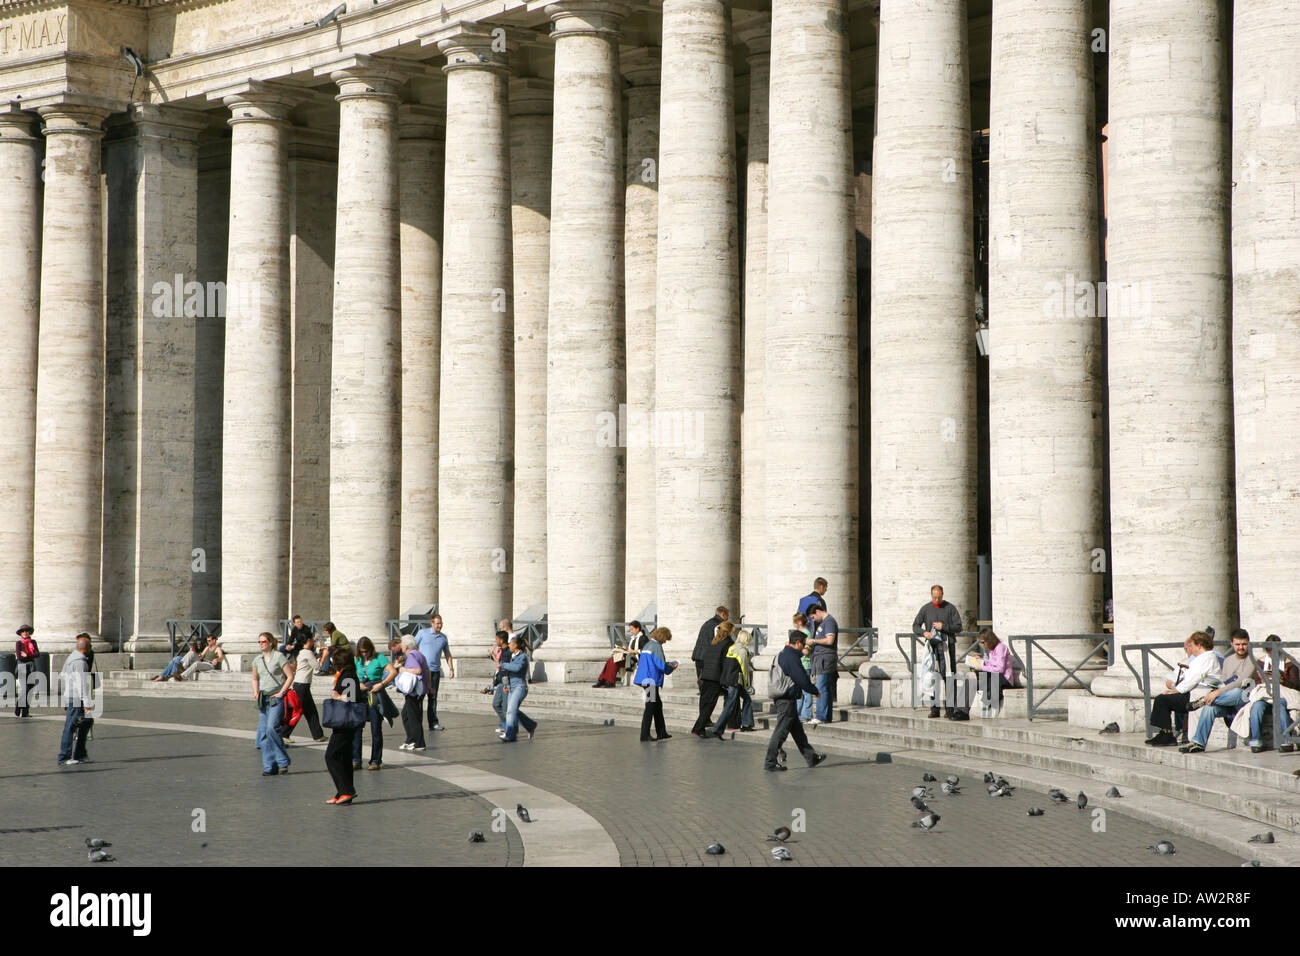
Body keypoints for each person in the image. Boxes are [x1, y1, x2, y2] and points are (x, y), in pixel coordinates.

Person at [1181, 628, 1254, 754]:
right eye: (1237, 644)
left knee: (1238, 691)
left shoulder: (1252, 660)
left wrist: (1215, 694)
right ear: (1231, 644)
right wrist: (1216, 689)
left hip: (1243, 698)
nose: (1241, 647)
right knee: (1209, 708)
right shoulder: (1228, 660)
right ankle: (1198, 742)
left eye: (1244, 644)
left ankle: (1203, 700)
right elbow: (1224, 682)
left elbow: (1241, 682)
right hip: (1226, 699)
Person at [764, 630, 827, 772]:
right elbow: (801, 678)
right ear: (797, 643)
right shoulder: (791, 657)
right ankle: (770, 762)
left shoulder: (784, 654)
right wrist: (814, 691)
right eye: (803, 644)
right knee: (780, 732)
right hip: (785, 699)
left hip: (785, 697)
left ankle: (811, 757)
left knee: (798, 732)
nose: (805, 647)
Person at [1146, 631, 1220, 747]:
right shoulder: (1203, 658)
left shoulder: (1207, 658)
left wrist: (1177, 690)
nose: (1191, 649)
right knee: (1163, 699)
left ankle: (1167, 735)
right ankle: (1165, 733)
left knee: (1162, 699)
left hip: (1199, 693)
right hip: (1193, 691)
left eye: (1192, 645)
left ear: (1199, 645)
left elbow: (1194, 678)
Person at [1242, 634, 1300, 754]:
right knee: (1256, 707)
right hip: (1265, 694)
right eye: (1269, 652)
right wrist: (1262, 680)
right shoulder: (1261, 662)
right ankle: (1256, 741)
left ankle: (1286, 740)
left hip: (1283, 694)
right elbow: (1254, 681)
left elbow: (1296, 685)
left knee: (1279, 706)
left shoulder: (1290, 662)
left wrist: (1282, 680)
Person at [913, 584, 963, 718]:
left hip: (947, 647)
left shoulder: (950, 608)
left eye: (939, 597)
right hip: (932, 648)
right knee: (932, 677)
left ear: (942, 595)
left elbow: (958, 627)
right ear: (931, 595)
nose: (936, 600)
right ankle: (934, 708)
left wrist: (944, 627)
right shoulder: (926, 609)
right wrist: (924, 633)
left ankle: (950, 709)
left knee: (949, 676)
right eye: (934, 597)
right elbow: (915, 626)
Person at [252, 632, 294, 775]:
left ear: (270, 642)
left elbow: (290, 676)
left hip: (276, 698)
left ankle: (282, 760)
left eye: (263, 641)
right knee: (263, 733)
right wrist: (255, 691)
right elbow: (255, 678)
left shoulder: (279, 657)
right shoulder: (257, 660)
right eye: (259, 642)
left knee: (271, 728)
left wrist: (282, 692)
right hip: (263, 698)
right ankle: (269, 766)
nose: (261, 644)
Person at [351, 636, 394, 771]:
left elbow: (393, 671)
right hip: (360, 694)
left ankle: (375, 760)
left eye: (366, 651)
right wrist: (358, 684)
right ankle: (356, 759)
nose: (364, 654)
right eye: (362, 651)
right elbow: (352, 675)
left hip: (374, 693)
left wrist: (382, 684)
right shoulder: (357, 660)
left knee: (376, 728)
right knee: (357, 728)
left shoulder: (379, 658)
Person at [324, 645, 361, 804]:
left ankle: (346, 790)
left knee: (331, 756)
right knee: (344, 756)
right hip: (345, 721)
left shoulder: (348, 676)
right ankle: (343, 793)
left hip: (346, 721)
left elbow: (350, 698)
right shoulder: (346, 675)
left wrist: (336, 696)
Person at [57, 635, 94, 766]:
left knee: (83, 725)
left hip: (70, 695)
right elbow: (82, 684)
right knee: (71, 727)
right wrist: (87, 703)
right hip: (75, 697)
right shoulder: (80, 662)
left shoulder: (71, 658)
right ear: (86, 648)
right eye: (90, 646)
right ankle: (64, 756)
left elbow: (62, 674)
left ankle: (80, 754)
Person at [692, 621, 734, 737]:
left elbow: (706, 659)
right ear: (729, 631)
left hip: (705, 676)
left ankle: (700, 729)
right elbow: (725, 663)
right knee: (710, 705)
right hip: (715, 677)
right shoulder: (728, 643)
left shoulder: (714, 642)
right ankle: (697, 728)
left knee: (705, 703)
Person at [712, 628, 756, 736]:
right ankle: (717, 728)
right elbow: (744, 668)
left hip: (729, 679)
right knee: (730, 705)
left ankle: (747, 724)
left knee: (746, 699)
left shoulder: (731, 648)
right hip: (737, 681)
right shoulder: (743, 651)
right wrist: (747, 685)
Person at [636, 626, 677, 741]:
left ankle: (661, 731)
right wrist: (672, 667)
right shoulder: (656, 646)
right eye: (665, 639)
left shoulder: (648, 645)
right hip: (651, 680)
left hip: (645, 678)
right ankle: (645, 735)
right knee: (650, 707)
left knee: (657, 705)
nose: (665, 642)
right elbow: (661, 665)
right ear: (662, 637)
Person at [414, 615, 454, 732]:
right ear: (431, 623)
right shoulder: (422, 633)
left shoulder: (443, 638)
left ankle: (433, 723)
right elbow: (413, 648)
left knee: (433, 698)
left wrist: (451, 668)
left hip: (435, 672)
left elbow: (447, 654)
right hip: (422, 671)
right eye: (437, 623)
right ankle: (417, 722)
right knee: (419, 697)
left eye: (441, 623)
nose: (439, 626)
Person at [286, 632, 325, 742]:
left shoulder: (303, 652)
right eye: (312, 639)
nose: (313, 640)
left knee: (311, 711)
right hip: (302, 686)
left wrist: (318, 655)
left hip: (302, 685)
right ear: (308, 640)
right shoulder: (307, 652)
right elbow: (317, 667)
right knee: (298, 710)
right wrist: (324, 657)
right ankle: (285, 733)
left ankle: (318, 735)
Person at [498, 633, 538, 743]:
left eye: (511, 643)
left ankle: (510, 734)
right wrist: (506, 685)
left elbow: (517, 668)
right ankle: (530, 725)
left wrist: (503, 664)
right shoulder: (512, 657)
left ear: (515, 645)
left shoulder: (523, 657)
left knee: (510, 710)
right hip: (511, 686)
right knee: (512, 710)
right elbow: (507, 672)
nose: (509, 645)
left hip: (520, 687)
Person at [808, 605, 839, 726]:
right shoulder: (823, 623)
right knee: (825, 687)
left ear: (818, 611)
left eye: (813, 617)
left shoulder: (829, 622)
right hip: (821, 658)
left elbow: (830, 640)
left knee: (821, 687)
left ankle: (821, 716)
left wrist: (814, 641)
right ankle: (826, 716)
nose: (813, 619)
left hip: (825, 658)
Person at [396, 636, 427, 751]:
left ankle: (419, 742)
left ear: (407, 645)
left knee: (413, 716)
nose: (401, 645)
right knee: (406, 715)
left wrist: (404, 669)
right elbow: (426, 670)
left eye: (402, 643)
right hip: (419, 690)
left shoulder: (411, 655)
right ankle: (410, 739)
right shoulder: (419, 654)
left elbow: (418, 670)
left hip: (413, 691)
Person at [484, 630, 512, 736]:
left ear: (501, 640)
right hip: (500, 681)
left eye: (496, 639)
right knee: (496, 704)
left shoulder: (507, 652)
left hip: (505, 682)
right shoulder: (503, 651)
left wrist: (505, 684)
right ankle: (506, 725)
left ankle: (509, 728)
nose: (495, 641)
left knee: (505, 707)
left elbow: (502, 667)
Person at [692, 606, 729, 683]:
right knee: (709, 681)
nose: (728, 618)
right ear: (723, 614)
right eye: (727, 615)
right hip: (708, 657)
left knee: (701, 680)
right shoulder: (719, 625)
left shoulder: (707, 623)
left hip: (698, 655)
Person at [15, 625, 38, 718]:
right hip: (22, 667)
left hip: (31, 667)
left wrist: (27, 654)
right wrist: (30, 656)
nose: (25, 633)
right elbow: (20, 657)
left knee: (30, 689)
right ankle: (18, 705)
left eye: (27, 631)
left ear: (29, 632)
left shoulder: (33, 642)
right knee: (25, 688)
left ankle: (25, 712)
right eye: (23, 631)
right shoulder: (19, 643)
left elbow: (37, 654)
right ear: (21, 633)